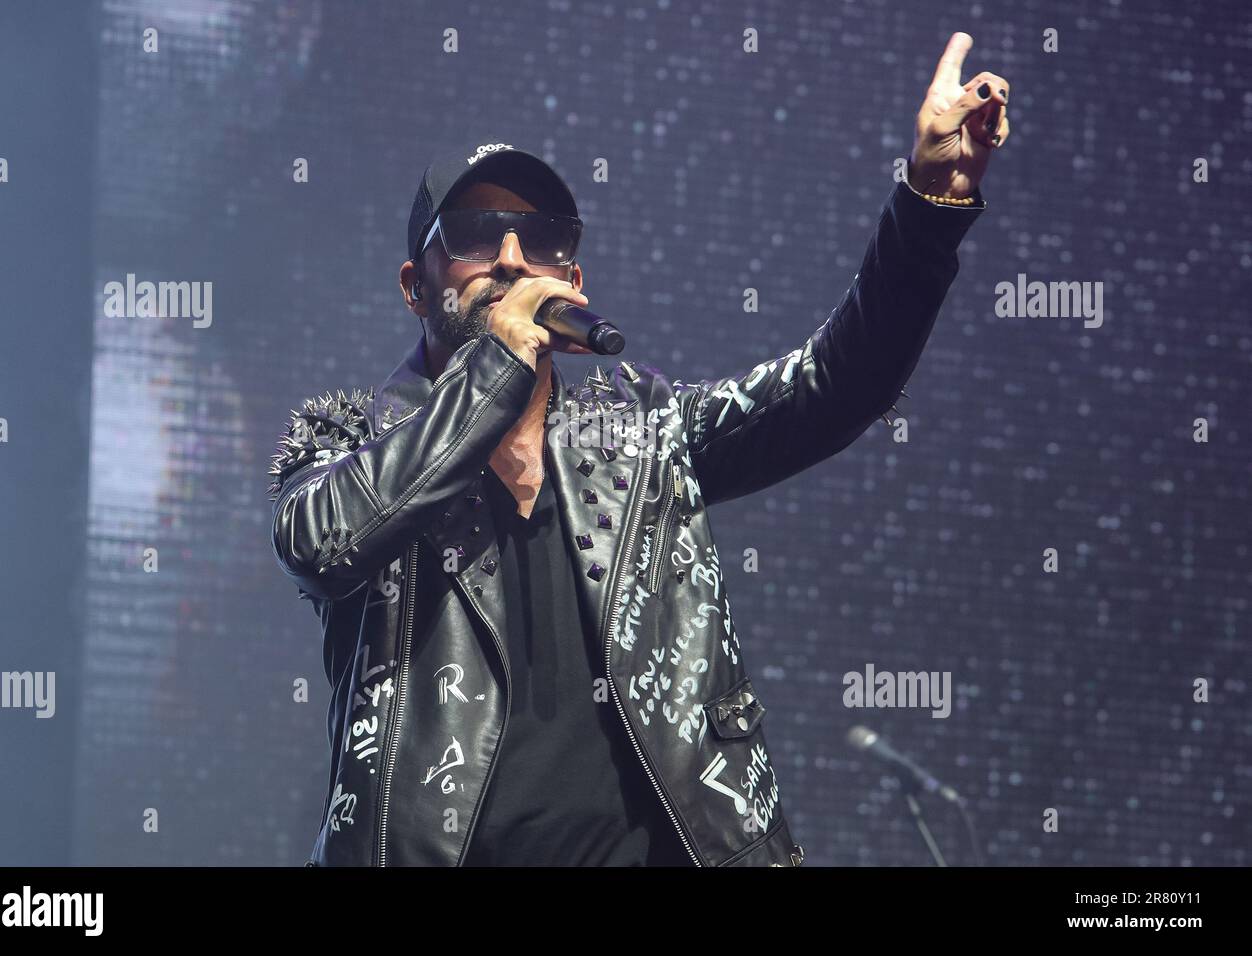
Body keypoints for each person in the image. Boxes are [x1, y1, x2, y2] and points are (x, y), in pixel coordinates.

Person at [268, 32, 1008, 866]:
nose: (513, 258)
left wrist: (926, 208)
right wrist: (498, 370)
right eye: (477, 233)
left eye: (542, 238)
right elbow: (323, 542)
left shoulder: (641, 438)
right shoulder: (348, 443)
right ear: (417, 285)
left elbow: (834, 384)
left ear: (573, 283)